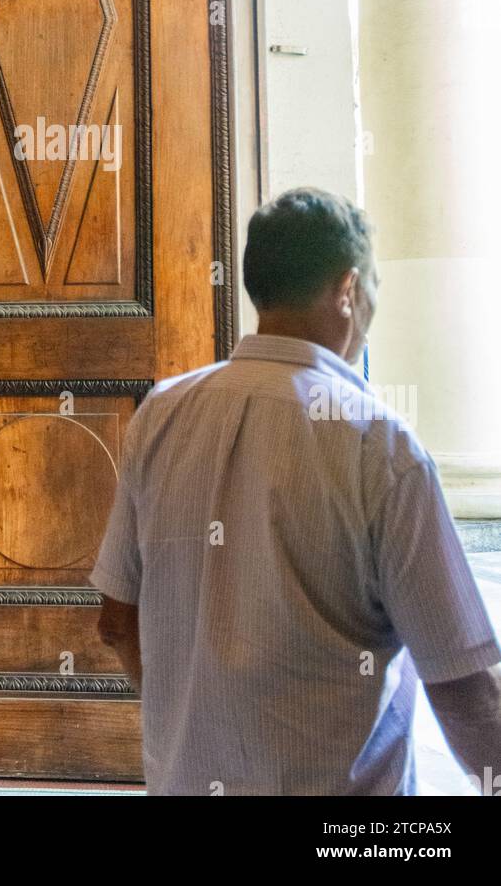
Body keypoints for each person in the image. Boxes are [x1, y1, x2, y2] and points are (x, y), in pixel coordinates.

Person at [92, 187, 501, 795]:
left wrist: (195, 727)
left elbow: (116, 621)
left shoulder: (161, 415)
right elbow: (460, 682)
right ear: (348, 290)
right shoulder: (381, 447)